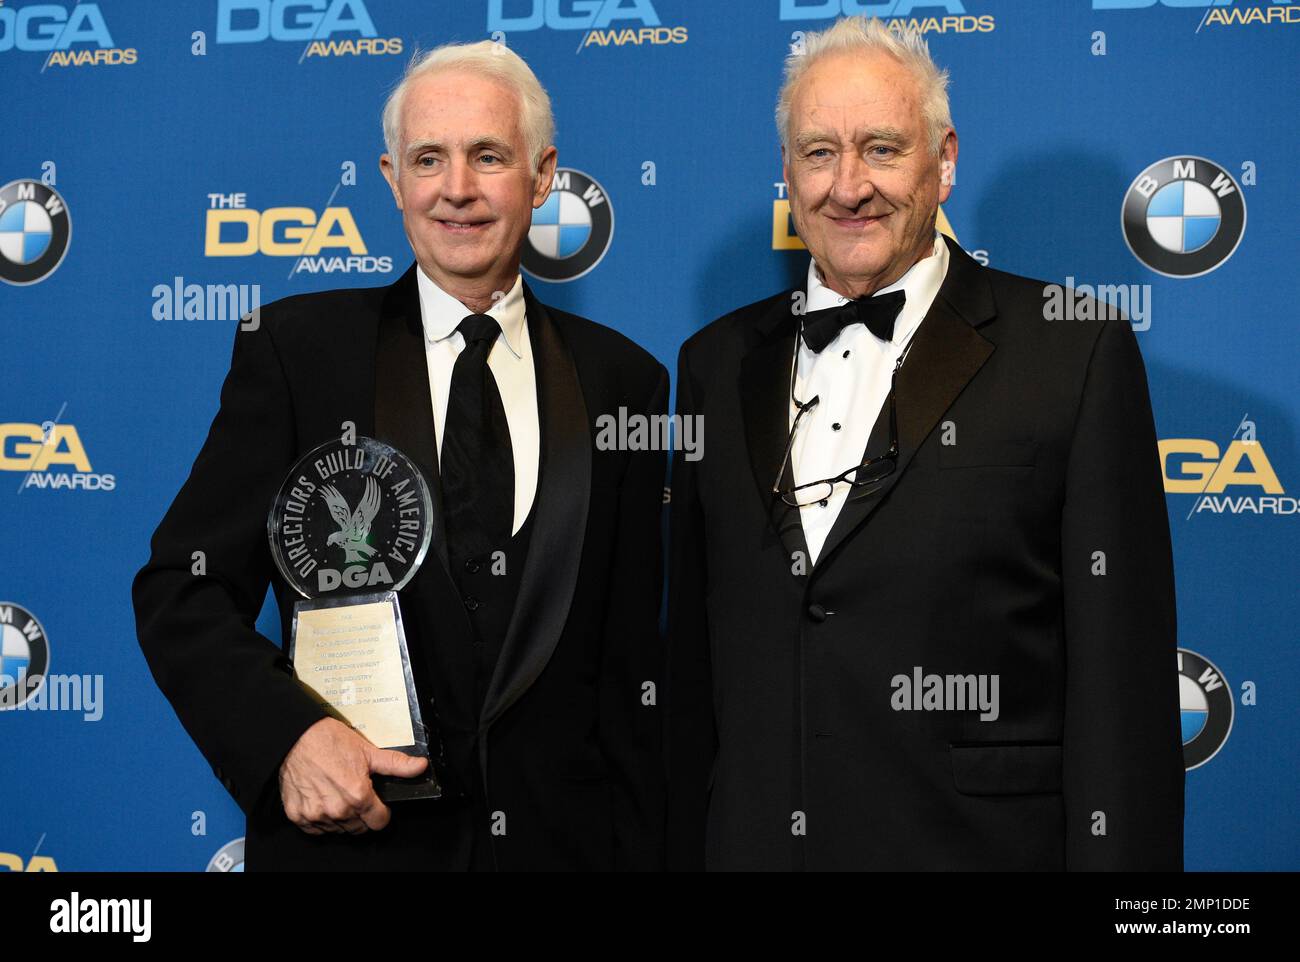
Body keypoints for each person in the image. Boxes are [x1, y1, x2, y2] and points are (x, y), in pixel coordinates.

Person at [133, 40, 667, 871]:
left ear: (542, 174)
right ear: (392, 178)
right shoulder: (299, 353)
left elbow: (632, 669)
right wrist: (290, 737)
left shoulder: (624, 380)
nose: (457, 188)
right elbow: (183, 590)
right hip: (355, 853)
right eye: (430, 159)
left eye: (488, 156)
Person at [664, 16, 1183, 871]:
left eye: (881, 148)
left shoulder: (1073, 348)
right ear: (787, 173)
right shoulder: (713, 364)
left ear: (944, 162)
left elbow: (1121, 693)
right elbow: (693, 679)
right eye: (819, 152)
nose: (849, 185)